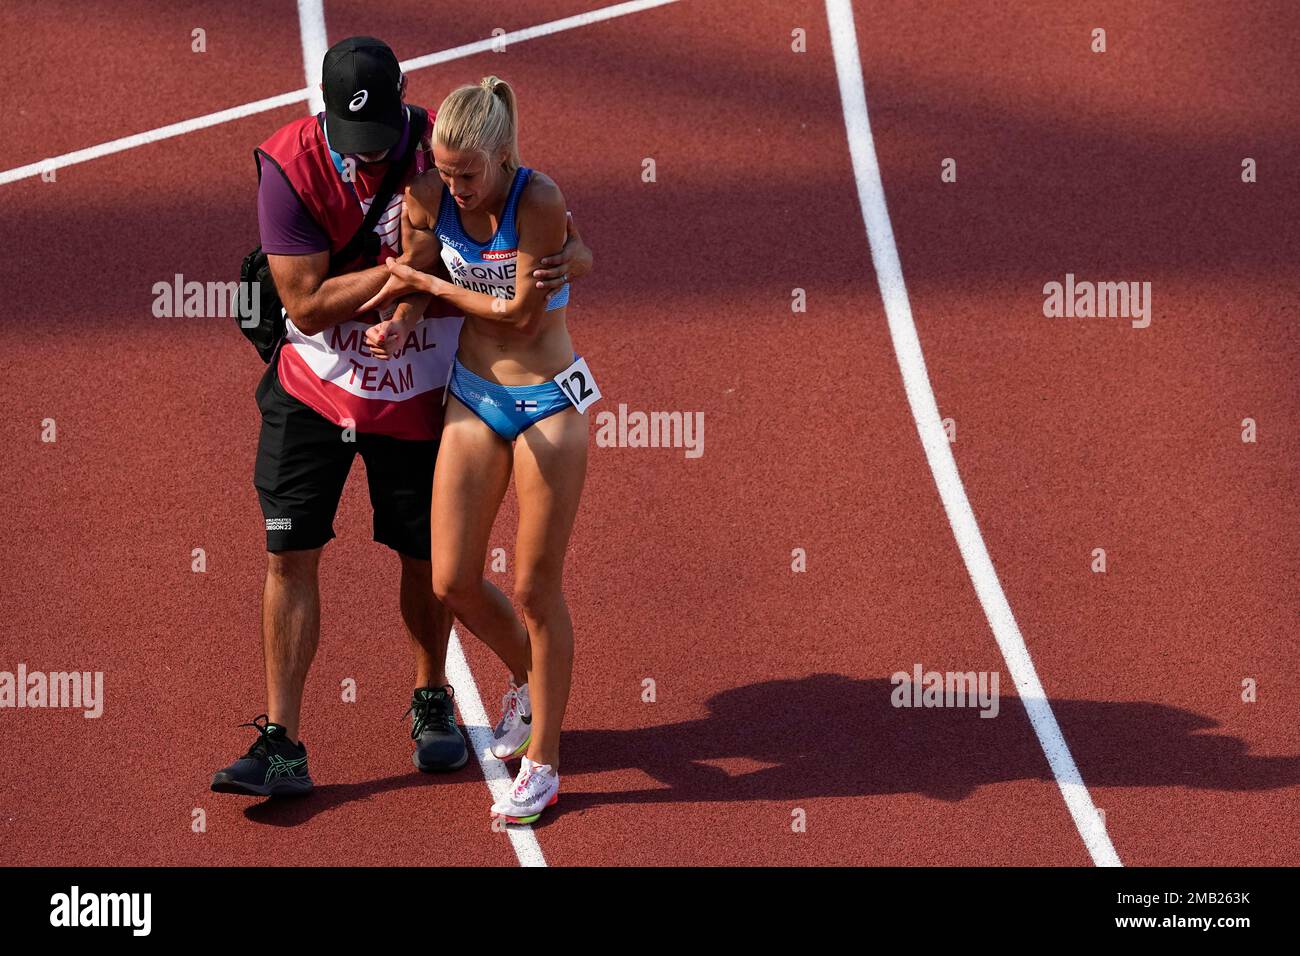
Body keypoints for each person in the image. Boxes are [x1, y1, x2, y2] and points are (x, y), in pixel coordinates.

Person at [211, 40, 592, 797]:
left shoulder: (449, 140)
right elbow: (308, 308)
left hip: (424, 387)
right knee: (291, 554)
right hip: (315, 387)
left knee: (434, 563)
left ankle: (435, 701)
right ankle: (282, 742)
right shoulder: (289, 167)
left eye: (386, 138)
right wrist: (406, 278)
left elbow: (542, 231)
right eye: (358, 143)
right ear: (324, 116)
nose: (375, 155)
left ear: (405, 105)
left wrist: (568, 258)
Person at [360, 75, 596, 823]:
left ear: (500, 156)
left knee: (533, 588)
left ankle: (546, 762)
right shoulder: (428, 196)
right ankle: (534, 681)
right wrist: (401, 314)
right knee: (453, 580)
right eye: (444, 169)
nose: (453, 185)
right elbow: (422, 277)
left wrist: (425, 283)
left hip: (548, 400)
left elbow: (522, 318)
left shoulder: (538, 199)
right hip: (473, 394)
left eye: (467, 173)